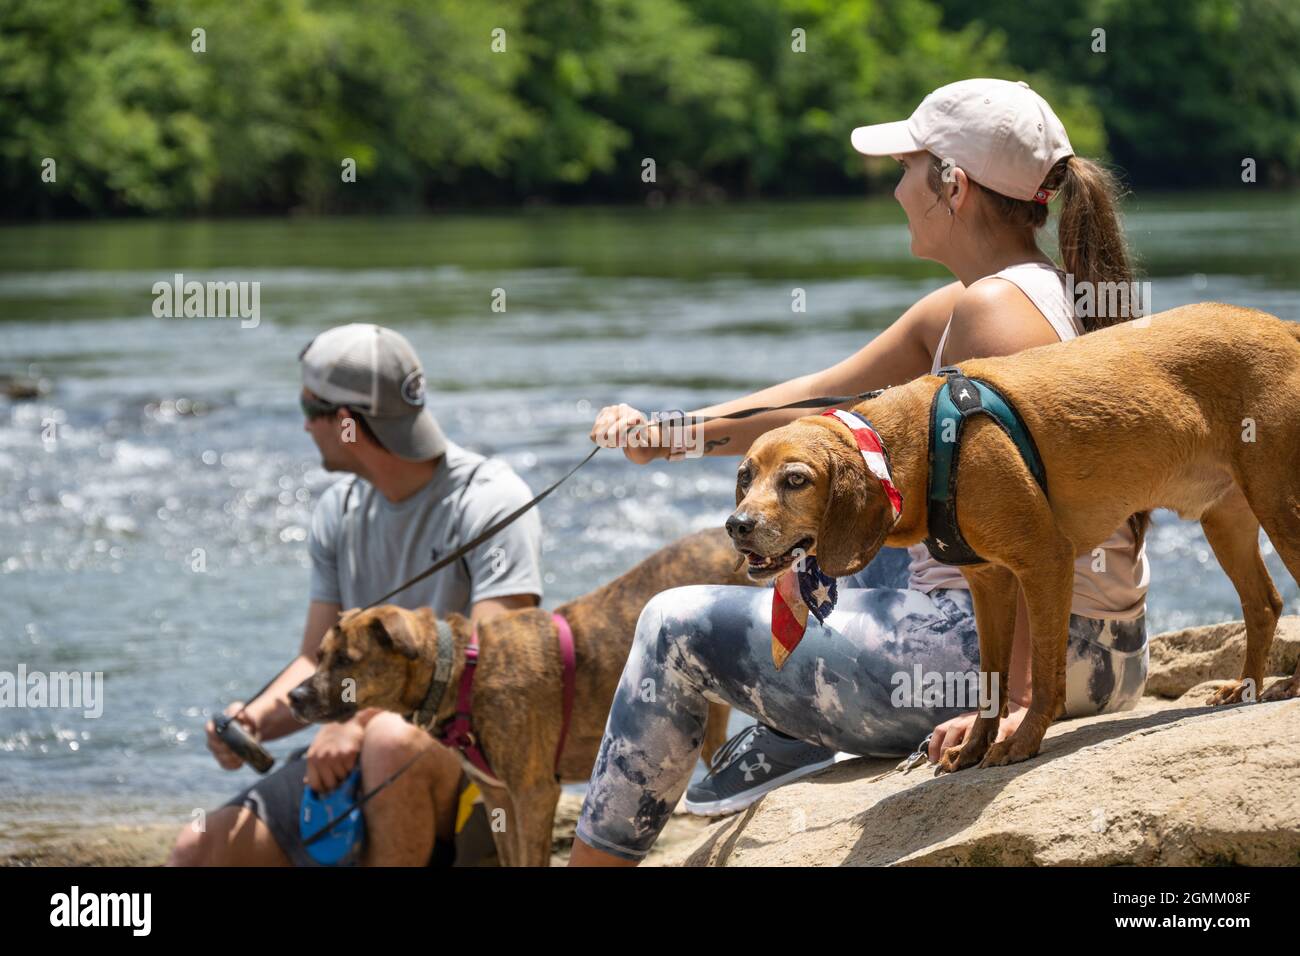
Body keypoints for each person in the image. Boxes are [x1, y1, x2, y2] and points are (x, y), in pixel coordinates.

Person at [571, 78, 1150, 864]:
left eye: (909, 166)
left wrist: (1011, 704)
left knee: (672, 626)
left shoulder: (996, 318)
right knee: (838, 534)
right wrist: (663, 434)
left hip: (1049, 649)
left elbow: (1035, 534)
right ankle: (798, 729)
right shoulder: (979, 303)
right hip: (1098, 646)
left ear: (954, 183)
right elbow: (818, 413)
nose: (897, 186)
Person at [168, 323, 543, 866]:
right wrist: (256, 721)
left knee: (389, 739)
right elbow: (312, 660)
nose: (301, 424)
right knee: (198, 851)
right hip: (361, 745)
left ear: (345, 423)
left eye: (306, 405)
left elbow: (495, 663)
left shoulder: (491, 501)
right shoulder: (337, 511)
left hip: (470, 766)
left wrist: (357, 721)